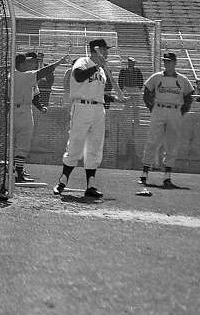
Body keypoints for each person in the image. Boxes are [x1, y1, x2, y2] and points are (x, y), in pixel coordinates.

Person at [54, 38, 121, 200]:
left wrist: (113, 98)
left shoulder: (102, 70)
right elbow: (78, 76)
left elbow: (96, 92)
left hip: (98, 108)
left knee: (95, 146)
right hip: (81, 107)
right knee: (76, 143)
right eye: (104, 49)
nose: (107, 52)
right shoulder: (83, 61)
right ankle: (62, 181)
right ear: (96, 49)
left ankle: (91, 185)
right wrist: (96, 66)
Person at [139, 52, 195, 188]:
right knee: (152, 141)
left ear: (175, 63)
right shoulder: (157, 77)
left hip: (175, 110)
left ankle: (167, 176)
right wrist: (151, 107)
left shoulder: (182, 79)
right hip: (159, 108)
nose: (167, 63)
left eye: (169, 61)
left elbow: (189, 95)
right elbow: (146, 90)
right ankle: (145, 174)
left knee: (172, 143)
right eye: (165, 61)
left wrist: (183, 110)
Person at [12, 51, 59, 183]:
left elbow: (35, 96)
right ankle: (18, 172)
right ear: (20, 64)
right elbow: (42, 73)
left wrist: (40, 107)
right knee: (22, 143)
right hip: (22, 112)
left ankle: (14, 170)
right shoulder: (25, 76)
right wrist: (57, 64)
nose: (29, 63)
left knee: (13, 143)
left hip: (15, 110)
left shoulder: (18, 75)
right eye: (27, 62)